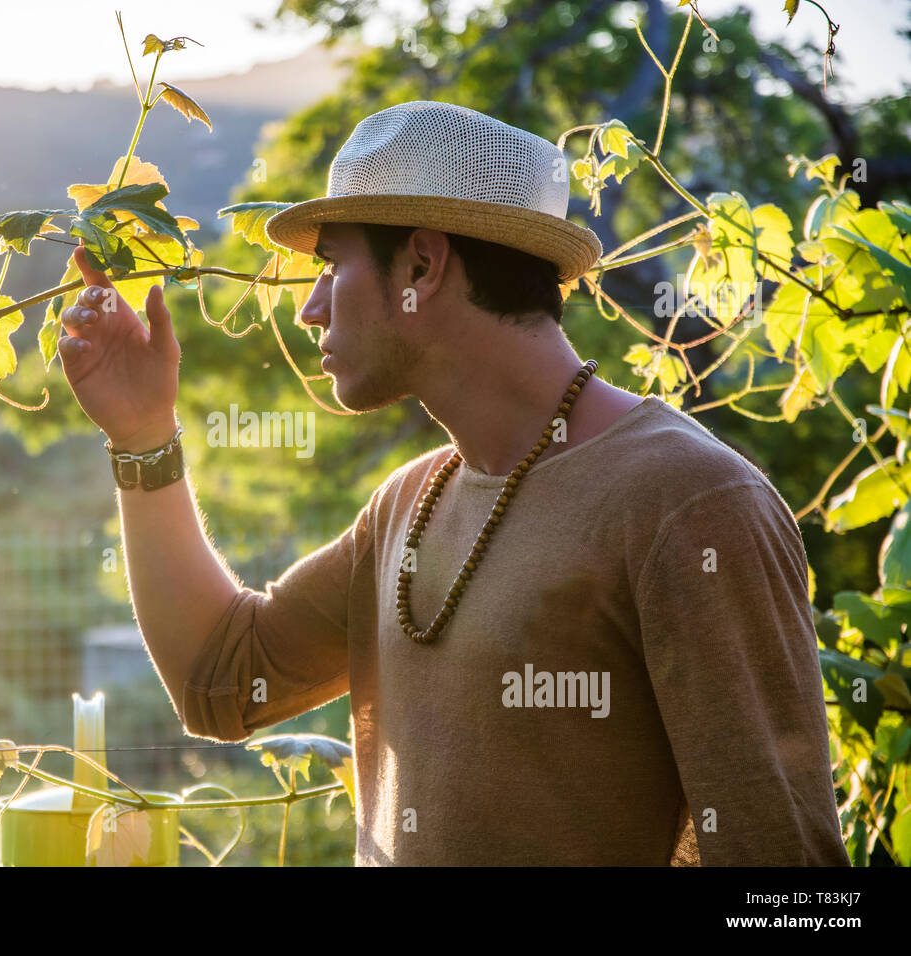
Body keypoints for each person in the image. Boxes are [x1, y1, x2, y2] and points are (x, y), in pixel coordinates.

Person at [56, 101, 849, 866]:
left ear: (423, 265)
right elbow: (222, 681)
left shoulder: (691, 505)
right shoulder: (408, 501)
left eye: (332, 266)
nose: (309, 310)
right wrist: (142, 435)